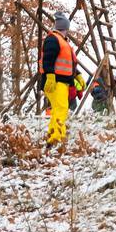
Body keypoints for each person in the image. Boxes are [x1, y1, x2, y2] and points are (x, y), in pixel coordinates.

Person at [39, 13, 76, 144]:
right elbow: (48, 60)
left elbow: (69, 62)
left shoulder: (59, 40)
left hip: (60, 81)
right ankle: (57, 138)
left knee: (57, 109)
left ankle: (52, 136)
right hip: (56, 82)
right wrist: (50, 76)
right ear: (65, 28)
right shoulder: (53, 39)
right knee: (62, 108)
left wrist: (76, 76)